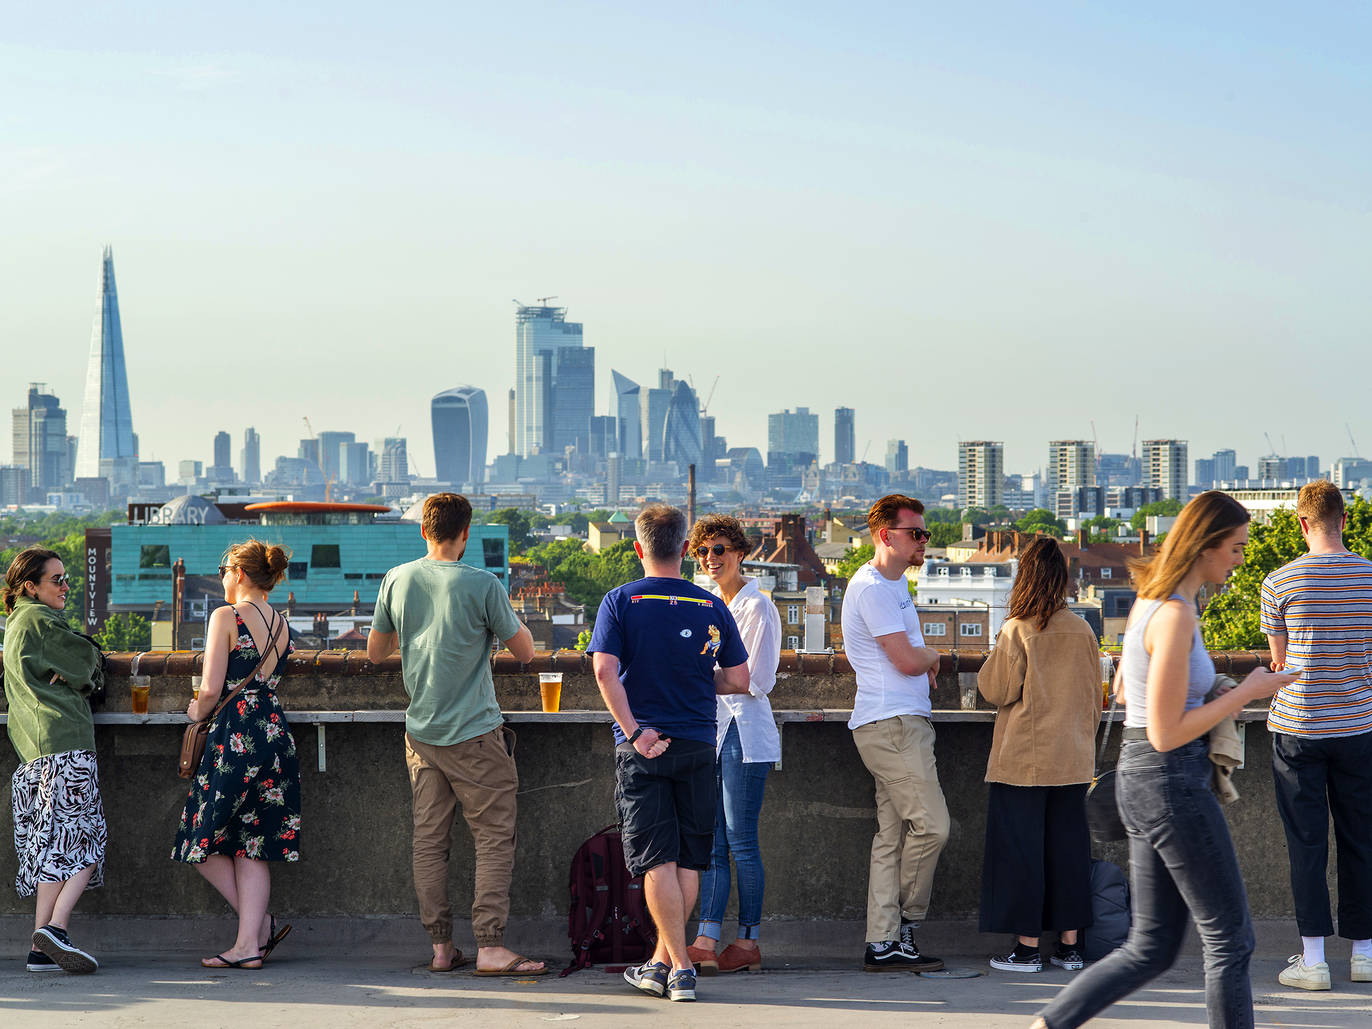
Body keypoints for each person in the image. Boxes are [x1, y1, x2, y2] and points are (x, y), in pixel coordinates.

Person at [1033, 491, 1296, 1029]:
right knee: (1230, 939)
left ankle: (1050, 1024)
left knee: (1150, 947)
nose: (1240, 559)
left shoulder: (1150, 604)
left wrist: (1205, 689)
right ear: (1205, 546)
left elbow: (1129, 692)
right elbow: (1166, 730)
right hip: (1171, 782)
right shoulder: (1175, 614)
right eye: (1236, 547)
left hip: (1142, 778)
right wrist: (1248, 691)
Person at [367, 493, 545, 977]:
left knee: (429, 842)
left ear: (424, 531)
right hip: (475, 733)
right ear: (466, 534)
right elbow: (526, 651)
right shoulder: (483, 583)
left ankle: (442, 948)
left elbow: (377, 653)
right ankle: (490, 946)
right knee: (493, 838)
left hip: (422, 734)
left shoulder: (396, 579)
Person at [589, 504, 751, 1002]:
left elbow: (604, 671)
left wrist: (636, 732)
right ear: (684, 548)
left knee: (656, 859)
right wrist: (696, 677)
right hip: (699, 742)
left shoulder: (620, 600)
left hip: (644, 745)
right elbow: (738, 680)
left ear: (638, 548)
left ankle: (680, 968)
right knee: (688, 860)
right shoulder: (710, 605)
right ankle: (662, 965)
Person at [1261, 480, 1372, 991]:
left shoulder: (1279, 582)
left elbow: (1279, 662)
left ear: (1302, 523)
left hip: (1299, 728)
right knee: (1361, 838)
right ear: (1344, 520)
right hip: (1358, 725)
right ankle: (1364, 954)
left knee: (1307, 844)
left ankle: (1314, 960)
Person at [172, 539, 299, 970]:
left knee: (201, 839)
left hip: (237, 736)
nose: (223, 577)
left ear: (239, 573)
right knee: (253, 844)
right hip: (274, 734)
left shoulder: (226, 616)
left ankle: (254, 934)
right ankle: (252, 938)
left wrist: (195, 711)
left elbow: (210, 689)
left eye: (224, 570)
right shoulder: (281, 622)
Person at [977, 536, 1099, 974]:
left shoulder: (1018, 629)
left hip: (1024, 762)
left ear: (1024, 578)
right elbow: (1095, 698)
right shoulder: (1083, 629)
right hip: (1073, 759)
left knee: (1022, 854)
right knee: (1068, 854)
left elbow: (996, 689)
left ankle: (1027, 950)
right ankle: (1070, 948)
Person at [843, 494, 947, 972]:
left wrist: (921, 658)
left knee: (892, 836)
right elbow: (907, 660)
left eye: (926, 533)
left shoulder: (894, 583)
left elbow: (905, 656)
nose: (924, 541)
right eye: (916, 533)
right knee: (932, 826)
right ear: (886, 536)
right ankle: (907, 921)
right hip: (893, 725)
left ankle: (882, 942)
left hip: (893, 721)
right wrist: (933, 656)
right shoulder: (873, 589)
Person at [685, 514, 781, 975]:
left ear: (740, 553)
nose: (711, 558)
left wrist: (689, 679)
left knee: (741, 841)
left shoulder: (757, 607)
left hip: (743, 732)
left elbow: (754, 680)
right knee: (712, 842)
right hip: (711, 730)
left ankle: (747, 942)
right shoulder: (703, 605)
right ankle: (705, 940)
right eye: (703, 551)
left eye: (720, 549)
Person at [4, 547, 106, 974]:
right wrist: (89, 670)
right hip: (65, 744)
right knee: (88, 843)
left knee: (55, 850)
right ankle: (57, 928)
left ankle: (40, 948)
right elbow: (88, 660)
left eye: (66, 578)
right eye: (57, 580)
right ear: (31, 586)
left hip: (33, 751)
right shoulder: (42, 622)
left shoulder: (16, 624)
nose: (66, 587)